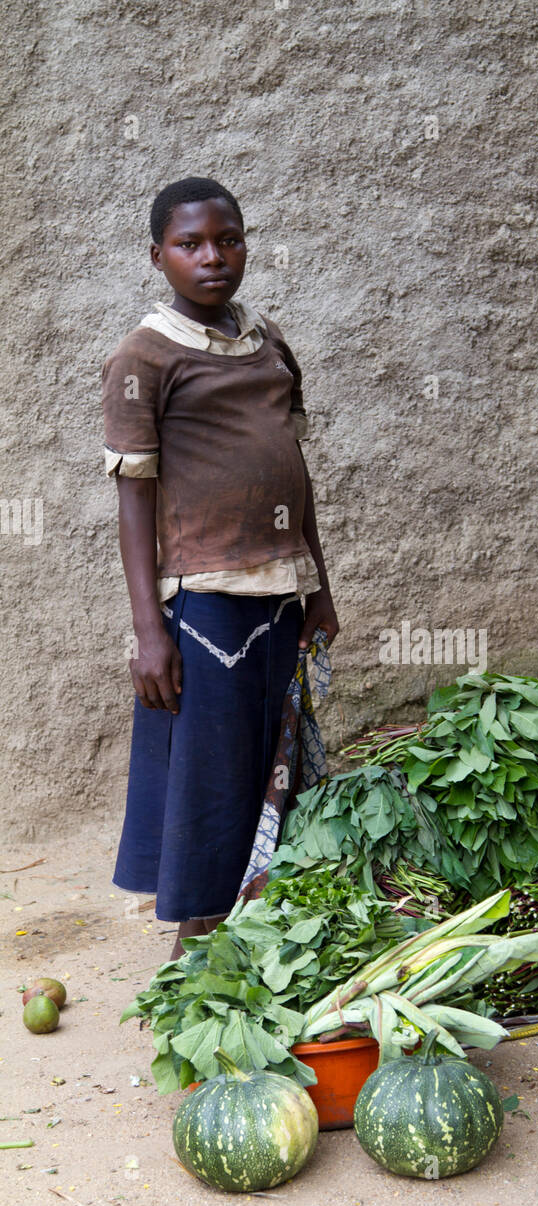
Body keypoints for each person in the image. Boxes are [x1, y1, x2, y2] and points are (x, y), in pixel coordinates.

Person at [102, 176, 339, 960]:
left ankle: (266, 921)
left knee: (276, 762)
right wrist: (148, 630)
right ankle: (195, 942)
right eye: (191, 244)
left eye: (228, 240)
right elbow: (135, 495)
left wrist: (320, 586)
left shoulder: (267, 341)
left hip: (281, 589)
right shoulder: (145, 356)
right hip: (203, 601)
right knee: (211, 773)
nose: (213, 257)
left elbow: (292, 468)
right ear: (157, 256)